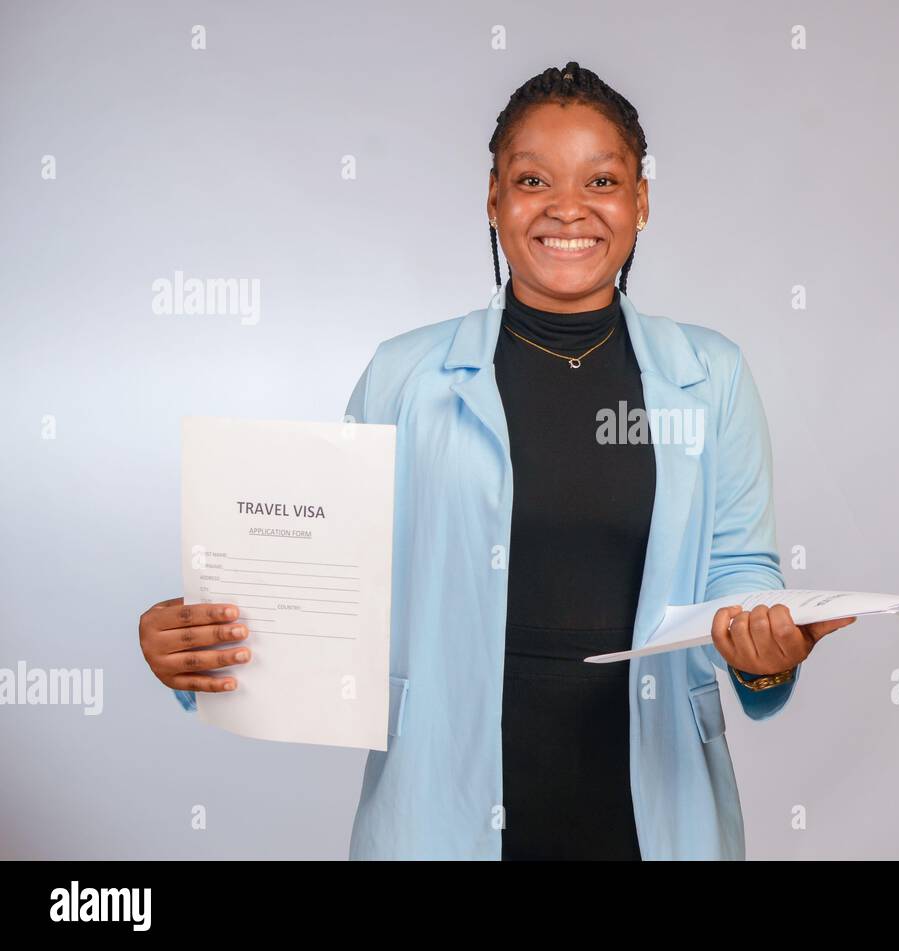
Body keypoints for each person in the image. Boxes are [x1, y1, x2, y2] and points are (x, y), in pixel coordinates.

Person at [138, 60, 855, 860]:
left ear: (642, 202)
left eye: (604, 180)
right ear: (494, 198)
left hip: (653, 807)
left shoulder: (711, 376)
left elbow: (739, 574)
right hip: (441, 804)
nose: (568, 208)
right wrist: (201, 647)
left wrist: (764, 655)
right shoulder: (403, 375)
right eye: (533, 179)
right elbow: (332, 580)